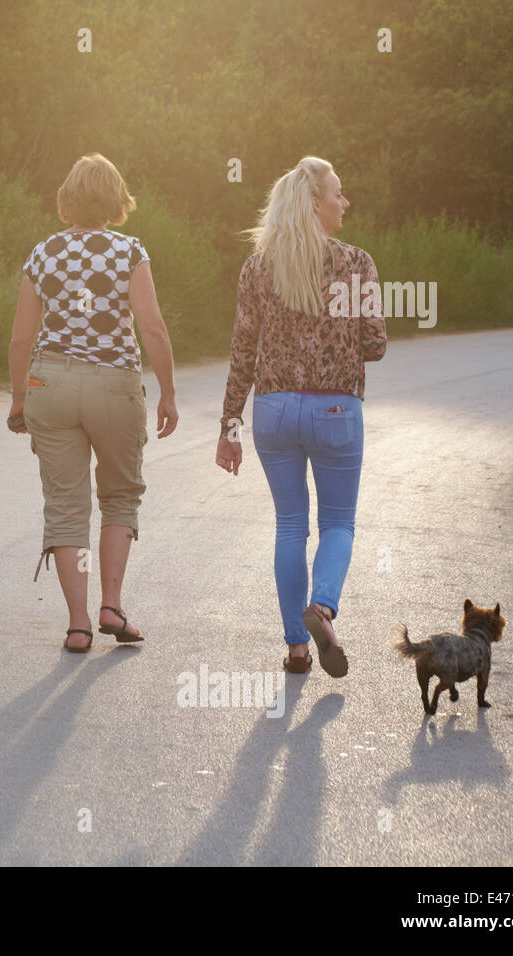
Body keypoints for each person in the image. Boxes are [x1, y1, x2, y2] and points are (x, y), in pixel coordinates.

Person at [215, 155, 387, 676]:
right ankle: (324, 607)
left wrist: (229, 426)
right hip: (335, 408)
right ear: (316, 203)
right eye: (338, 193)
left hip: (273, 409)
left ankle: (295, 646)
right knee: (337, 523)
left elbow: (244, 349)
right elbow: (375, 344)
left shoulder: (257, 266)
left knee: (290, 525)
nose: (345, 201)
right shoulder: (356, 264)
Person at [8, 153, 178, 653]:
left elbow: (21, 339)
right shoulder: (129, 251)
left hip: (50, 384)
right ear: (116, 199)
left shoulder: (42, 254)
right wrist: (167, 391)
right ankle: (112, 606)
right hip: (113, 386)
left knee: (65, 507)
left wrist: (19, 397)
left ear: (68, 198)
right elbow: (151, 328)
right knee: (120, 497)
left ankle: (78, 624)